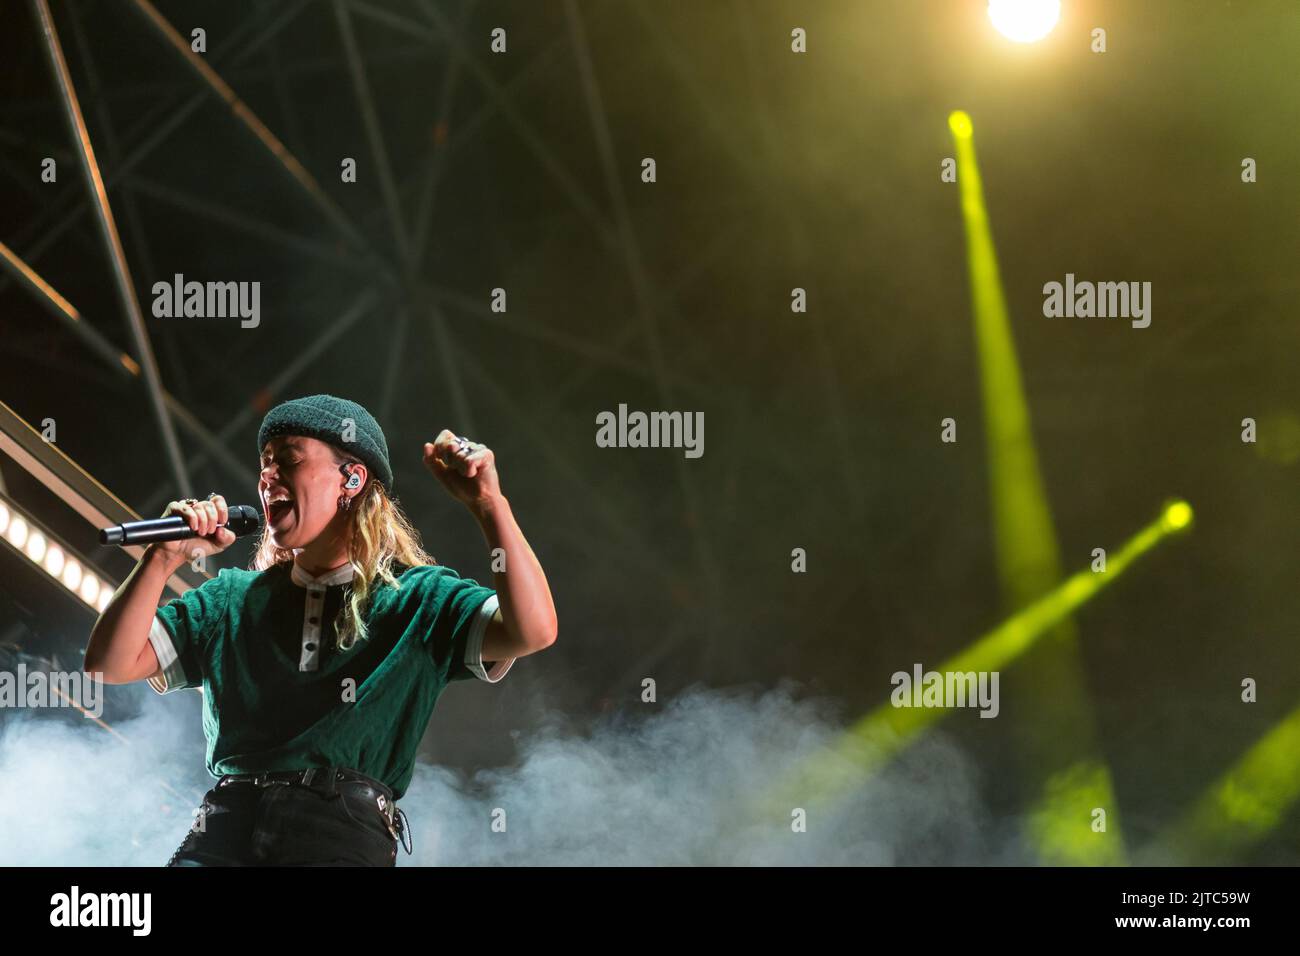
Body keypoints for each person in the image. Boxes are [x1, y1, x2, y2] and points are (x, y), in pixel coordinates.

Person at [84, 394, 558, 865]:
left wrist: (489, 504)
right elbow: (109, 663)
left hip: (339, 835)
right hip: (225, 830)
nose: (267, 477)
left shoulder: (420, 599)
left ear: (351, 479)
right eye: (264, 465)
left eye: (287, 459)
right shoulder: (228, 598)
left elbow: (533, 630)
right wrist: (162, 557)